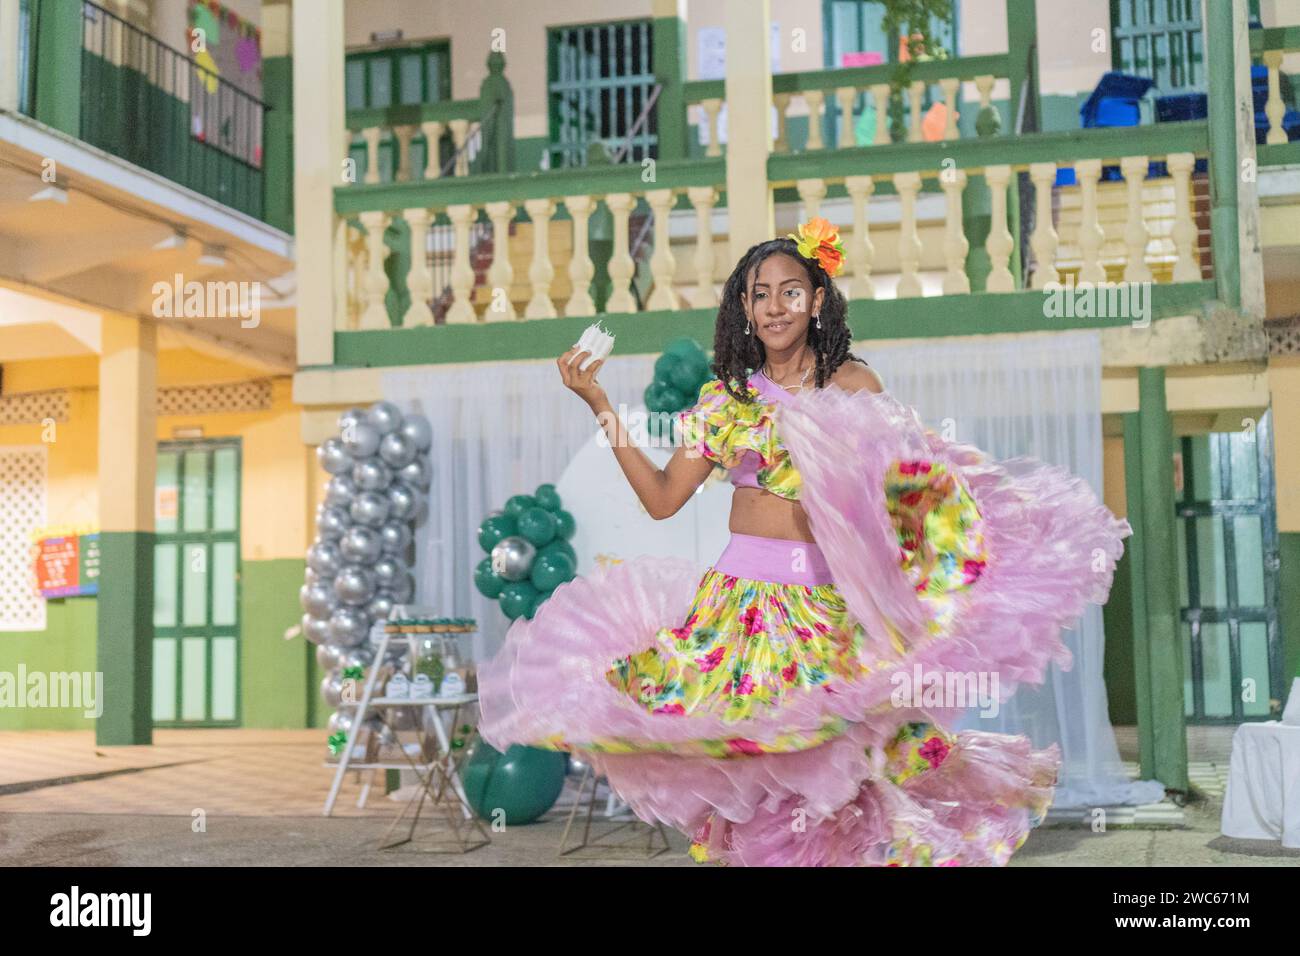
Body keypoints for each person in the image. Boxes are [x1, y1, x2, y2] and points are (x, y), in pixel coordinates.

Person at [478, 218, 1130, 866]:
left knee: (859, 770)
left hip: (824, 614)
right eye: (759, 294)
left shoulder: (853, 388)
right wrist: (599, 404)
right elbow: (660, 499)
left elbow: (908, 494)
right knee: (760, 783)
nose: (774, 306)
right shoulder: (723, 399)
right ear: (744, 307)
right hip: (736, 616)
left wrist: (938, 579)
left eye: (790, 291)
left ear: (817, 299)